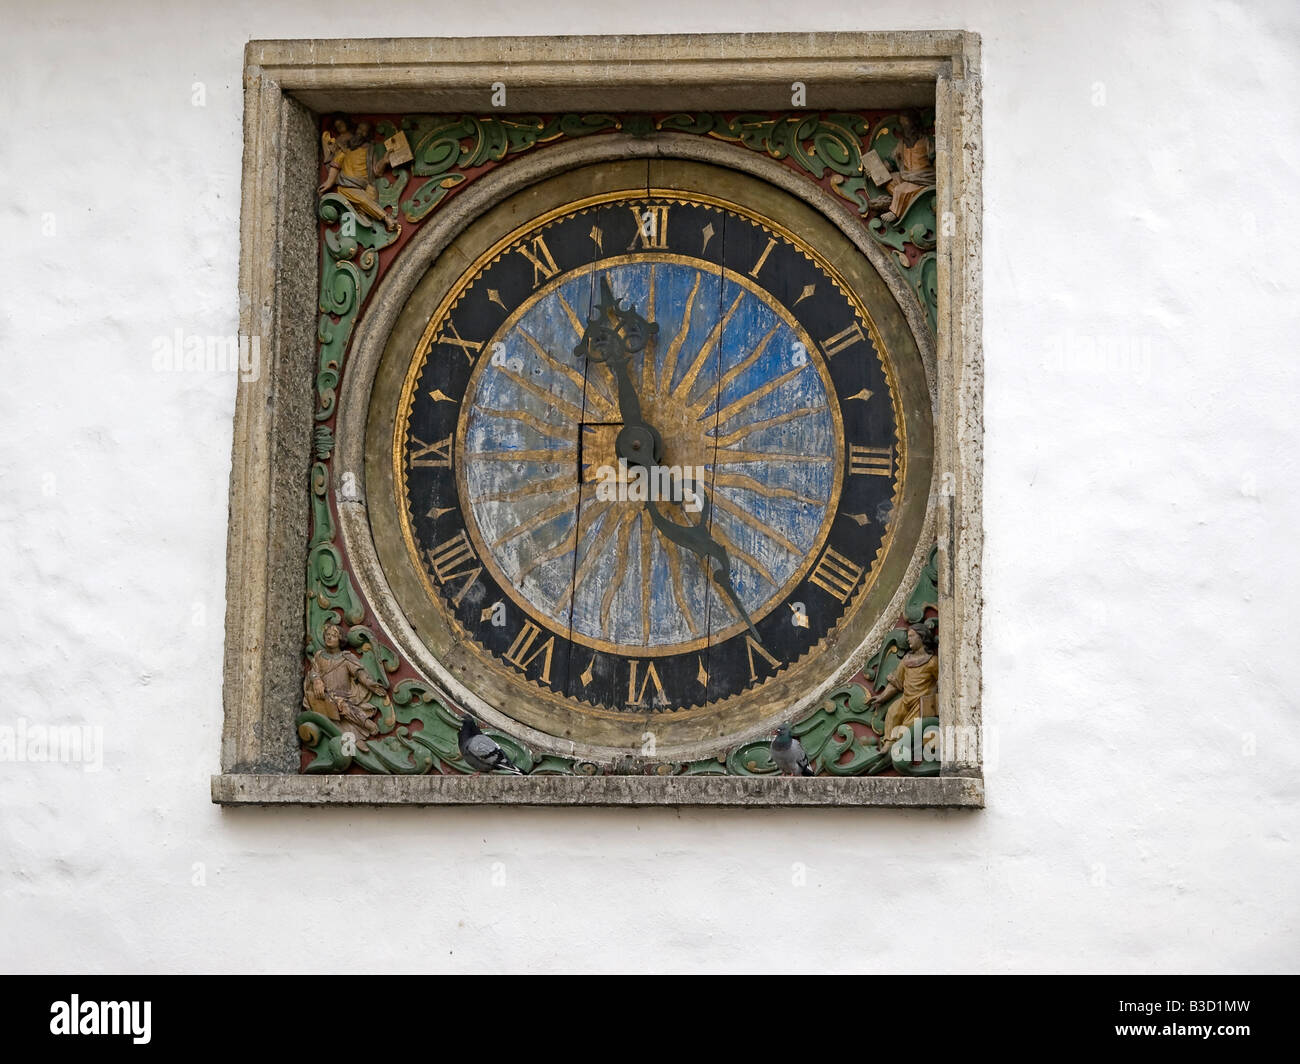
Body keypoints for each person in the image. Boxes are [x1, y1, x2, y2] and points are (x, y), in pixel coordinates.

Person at [302, 623, 391, 752]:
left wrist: (370, 684)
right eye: (327, 635)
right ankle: (360, 732)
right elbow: (313, 671)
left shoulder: (346, 658)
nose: (329, 638)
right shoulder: (319, 656)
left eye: (334, 635)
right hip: (323, 696)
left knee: (343, 706)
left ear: (341, 640)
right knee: (336, 707)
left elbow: (360, 674)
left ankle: (361, 730)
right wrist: (316, 680)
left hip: (344, 696)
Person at [318, 119, 398, 232]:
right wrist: (329, 182)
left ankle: (362, 215)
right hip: (346, 186)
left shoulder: (370, 150)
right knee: (362, 199)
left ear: (368, 135)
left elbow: (377, 172)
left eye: (364, 131)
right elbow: (335, 165)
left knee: (368, 198)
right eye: (359, 129)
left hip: (366, 187)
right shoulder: (345, 150)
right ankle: (387, 218)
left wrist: (384, 161)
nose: (360, 132)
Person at [868, 623, 938, 752]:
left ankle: (899, 746)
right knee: (893, 712)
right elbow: (896, 683)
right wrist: (882, 697)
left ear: (921, 637)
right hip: (906, 699)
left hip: (920, 703)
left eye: (911, 636)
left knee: (906, 729)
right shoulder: (906, 661)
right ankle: (888, 742)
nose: (908, 639)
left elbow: (941, 683)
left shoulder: (932, 662)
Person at [873, 114, 936, 224]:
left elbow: (936, 159)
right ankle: (908, 199)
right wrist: (875, 170)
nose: (907, 130)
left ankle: (895, 212)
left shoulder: (926, 142)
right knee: (890, 180)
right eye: (904, 126)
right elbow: (891, 162)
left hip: (923, 178)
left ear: (916, 126)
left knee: (900, 189)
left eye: (909, 126)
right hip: (906, 176)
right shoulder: (902, 144)